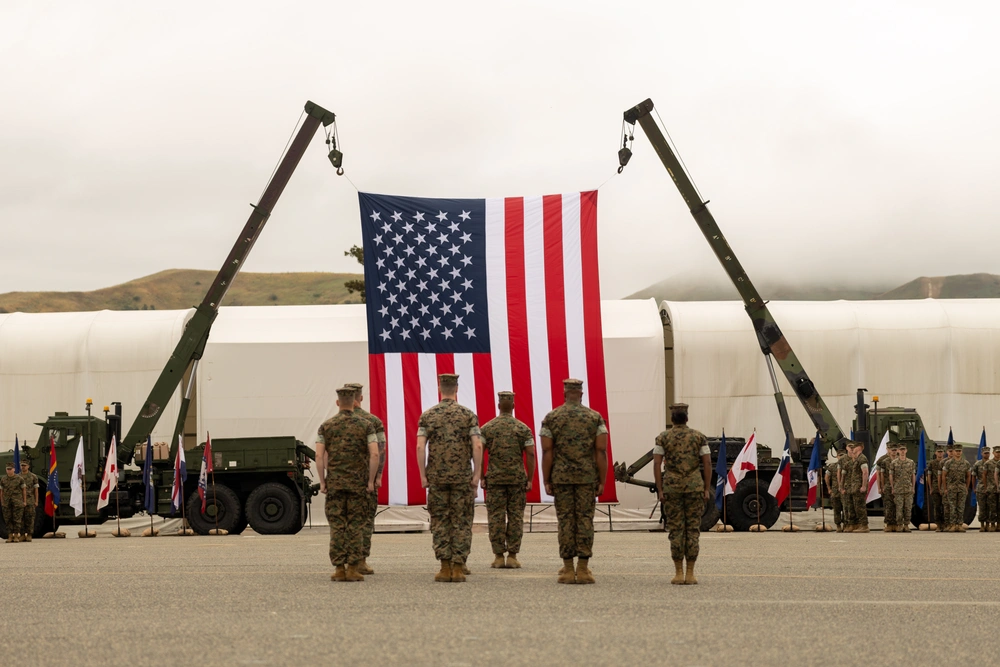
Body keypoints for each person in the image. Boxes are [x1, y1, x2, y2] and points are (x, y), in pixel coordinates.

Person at [540, 378, 608, 585]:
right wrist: (602, 480)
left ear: (564, 394)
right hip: (587, 478)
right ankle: (583, 569)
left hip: (561, 478)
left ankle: (568, 569)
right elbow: (601, 450)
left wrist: (547, 479)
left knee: (566, 522)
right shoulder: (595, 418)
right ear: (581, 394)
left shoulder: (552, 418)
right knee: (585, 520)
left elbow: (547, 451)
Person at [416, 373, 483, 583]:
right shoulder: (468, 415)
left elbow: (420, 446)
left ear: (439, 387)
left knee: (440, 521)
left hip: (437, 478)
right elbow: (478, 445)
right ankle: (458, 567)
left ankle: (444, 567)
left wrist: (423, 475)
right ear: (456, 388)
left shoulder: (428, 416)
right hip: (462, 478)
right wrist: (476, 475)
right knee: (462, 522)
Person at [316, 386, 379, 582]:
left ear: (337, 403)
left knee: (337, 525)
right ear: (355, 401)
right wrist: (370, 480)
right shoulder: (366, 425)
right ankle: (353, 567)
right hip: (358, 485)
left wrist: (322, 481)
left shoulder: (326, 426)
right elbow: (375, 454)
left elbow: (319, 456)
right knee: (355, 525)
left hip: (335, 484)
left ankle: (339, 568)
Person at [653, 403, 711, 585]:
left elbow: (656, 464)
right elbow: (707, 463)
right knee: (692, 529)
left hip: (672, 488)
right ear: (687, 418)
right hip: (694, 487)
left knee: (676, 529)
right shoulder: (699, 437)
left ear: (672, 419)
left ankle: (678, 572)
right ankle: (691, 573)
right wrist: (706, 488)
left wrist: (660, 489)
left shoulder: (663, 438)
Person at [480, 391, 535, 569]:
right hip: (517, 479)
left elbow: (479, 453)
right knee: (515, 517)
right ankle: (512, 556)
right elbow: (531, 454)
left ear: (498, 406)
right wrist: (530, 478)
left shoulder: (488, 428)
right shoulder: (523, 428)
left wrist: (482, 477)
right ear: (513, 406)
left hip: (494, 480)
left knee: (495, 517)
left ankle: (497, 556)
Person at [343, 382, 386, 575]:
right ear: (360, 397)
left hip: (341, 479)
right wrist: (378, 476)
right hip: (364, 479)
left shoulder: (334, 421)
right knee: (365, 520)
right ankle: (360, 560)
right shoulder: (373, 421)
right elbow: (380, 450)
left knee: (344, 520)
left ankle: (343, 560)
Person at [940, 443, 971, 532]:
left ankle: (959, 525)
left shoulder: (966, 463)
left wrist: (966, 487)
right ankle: (953, 524)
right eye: (956, 451)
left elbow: (968, 476)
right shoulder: (948, 463)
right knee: (952, 507)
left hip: (961, 488)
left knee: (961, 507)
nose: (958, 453)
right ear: (953, 452)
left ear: (961, 452)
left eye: (959, 451)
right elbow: (943, 476)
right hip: (951, 488)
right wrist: (945, 488)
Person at [840, 441, 869, 533]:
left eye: (855, 447)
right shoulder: (855, 460)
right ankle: (855, 525)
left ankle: (864, 525)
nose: (853, 449)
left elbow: (865, 472)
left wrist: (864, 486)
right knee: (853, 507)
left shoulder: (862, 459)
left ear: (860, 447)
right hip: (853, 487)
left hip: (859, 487)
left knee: (860, 507)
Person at [890, 445, 915, 533]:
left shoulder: (910, 462)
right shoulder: (894, 463)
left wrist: (913, 487)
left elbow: (913, 475)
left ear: (906, 450)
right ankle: (900, 525)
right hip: (898, 489)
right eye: (901, 450)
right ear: (898, 451)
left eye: (904, 449)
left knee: (908, 508)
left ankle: (907, 525)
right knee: (899, 508)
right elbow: (891, 476)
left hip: (908, 488)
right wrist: (892, 487)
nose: (902, 451)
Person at [1, 462, 26, 543]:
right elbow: (1, 491)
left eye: (10, 469)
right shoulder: (3, 479)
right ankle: (10, 536)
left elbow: (24, 490)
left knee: (17, 519)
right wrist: (2, 501)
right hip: (6, 502)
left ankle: (16, 536)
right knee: (8, 519)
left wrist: (24, 501)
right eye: (7, 469)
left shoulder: (19, 479)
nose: (9, 471)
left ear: (14, 469)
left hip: (17, 502)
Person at [877, 444, 896, 532]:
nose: (892, 451)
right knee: (888, 506)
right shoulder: (883, 460)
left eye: (894, 449)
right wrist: (880, 486)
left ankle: (896, 524)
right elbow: (879, 474)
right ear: (887, 449)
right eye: (890, 448)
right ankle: (888, 524)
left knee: (897, 506)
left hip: (898, 486)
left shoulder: (899, 460)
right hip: (887, 486)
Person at [825, 447, 845, 532]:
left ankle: (846, 524)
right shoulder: (832, 466)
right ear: (837, 456)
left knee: (846, 509)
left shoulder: (847, 465)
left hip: (845, 491)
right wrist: (829, 488)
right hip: (835, 491)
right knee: (836, 509)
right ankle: (838, 525)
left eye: (843, 455)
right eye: (840, 455)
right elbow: (827, 477)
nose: (841, 457)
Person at [927, 444, 947, 531]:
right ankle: (938, 525)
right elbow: (929, 476)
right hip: (935, 487)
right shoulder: (932, 463)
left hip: (945, 487)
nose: (940, 454)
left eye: (941, 452)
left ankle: (946, 524)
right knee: (937, 506)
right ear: (935, 453)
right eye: (938, 452)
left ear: (944, 453)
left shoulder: (947, 462)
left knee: (946, 506)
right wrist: (930, 488)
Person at [19, 461, 38, 542]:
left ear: (28, 466)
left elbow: (36, 490)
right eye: (22, 465)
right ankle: (22, 534)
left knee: (30, 517)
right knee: (20, 517)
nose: (23, 467)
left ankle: (29, 534)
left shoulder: (33, 477)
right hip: (20, 500)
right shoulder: (17, 477)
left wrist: (36, 501)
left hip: (30, 500)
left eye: (24, 465)